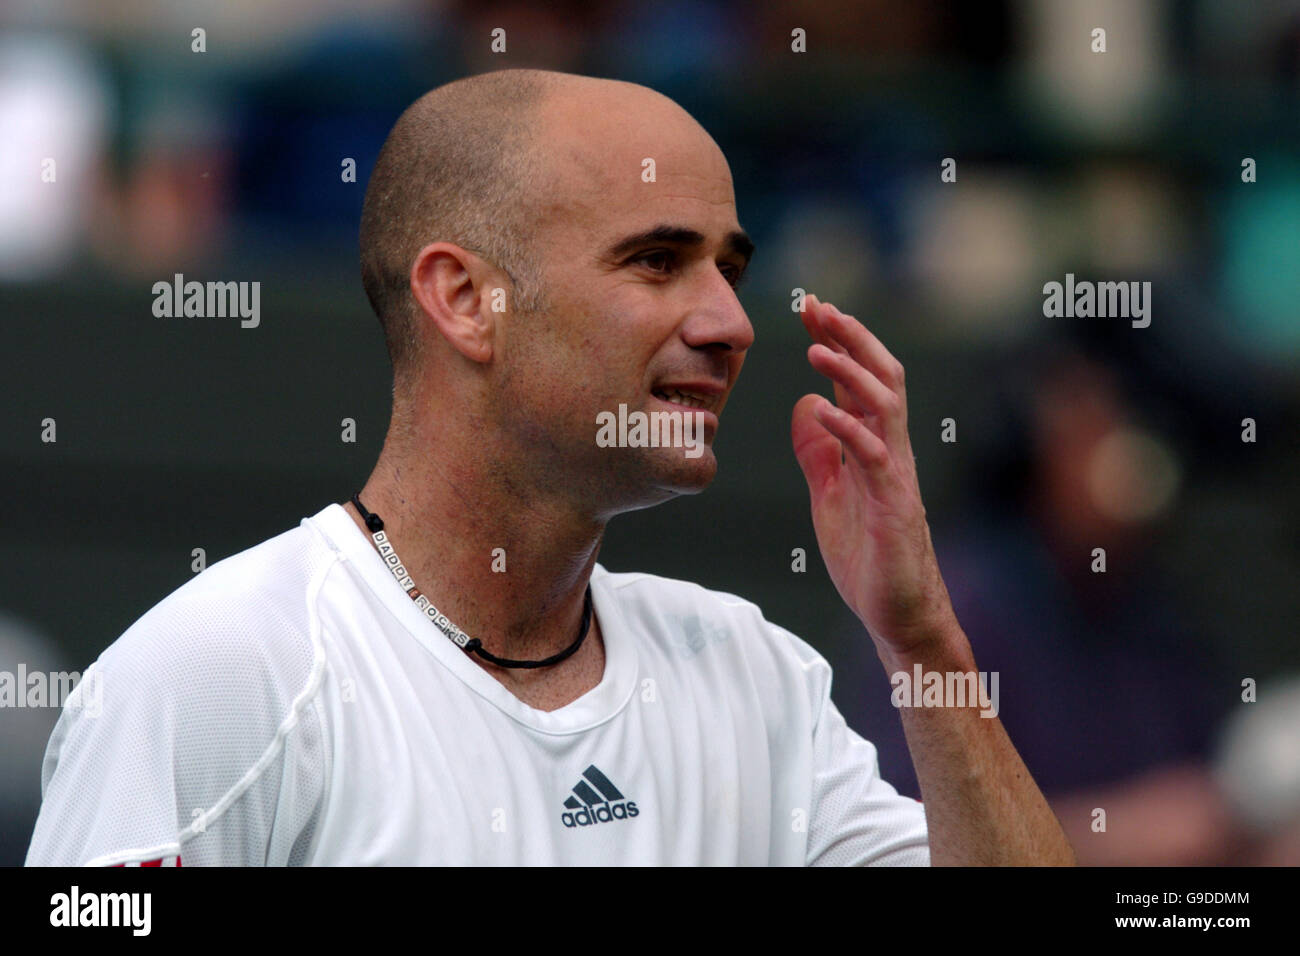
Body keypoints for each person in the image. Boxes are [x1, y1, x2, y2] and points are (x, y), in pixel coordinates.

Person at [26, 68, 1074, 866]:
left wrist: (920, 633)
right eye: (657, 261)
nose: (726, 323)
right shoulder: (214, 675)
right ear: (465, 298)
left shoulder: (751, 676)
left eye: (730, 270)